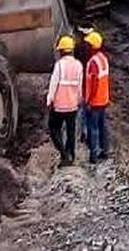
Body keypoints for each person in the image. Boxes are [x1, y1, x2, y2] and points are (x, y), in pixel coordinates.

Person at [47, 35, 83, 167]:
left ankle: (63, 154)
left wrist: (49, 100)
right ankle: (71, 155)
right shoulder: (78, 65)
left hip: (59, 105)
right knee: (71, 131)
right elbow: (79, 85)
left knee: (53, 128)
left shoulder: (59, 65)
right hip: (72, 105)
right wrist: (79, 99)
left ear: (61, 51)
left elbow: (53, 84)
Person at [82, 30, 111, 164]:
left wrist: (88, 101)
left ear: (92, 46)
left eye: (88, 44)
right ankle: (105, 151)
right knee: (102, 125)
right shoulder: (103, 59)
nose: (86, 46)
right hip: (103, 99)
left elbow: (94, 82)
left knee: (93, 128)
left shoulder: (93, 62)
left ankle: (94, 156)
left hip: (95, 101)